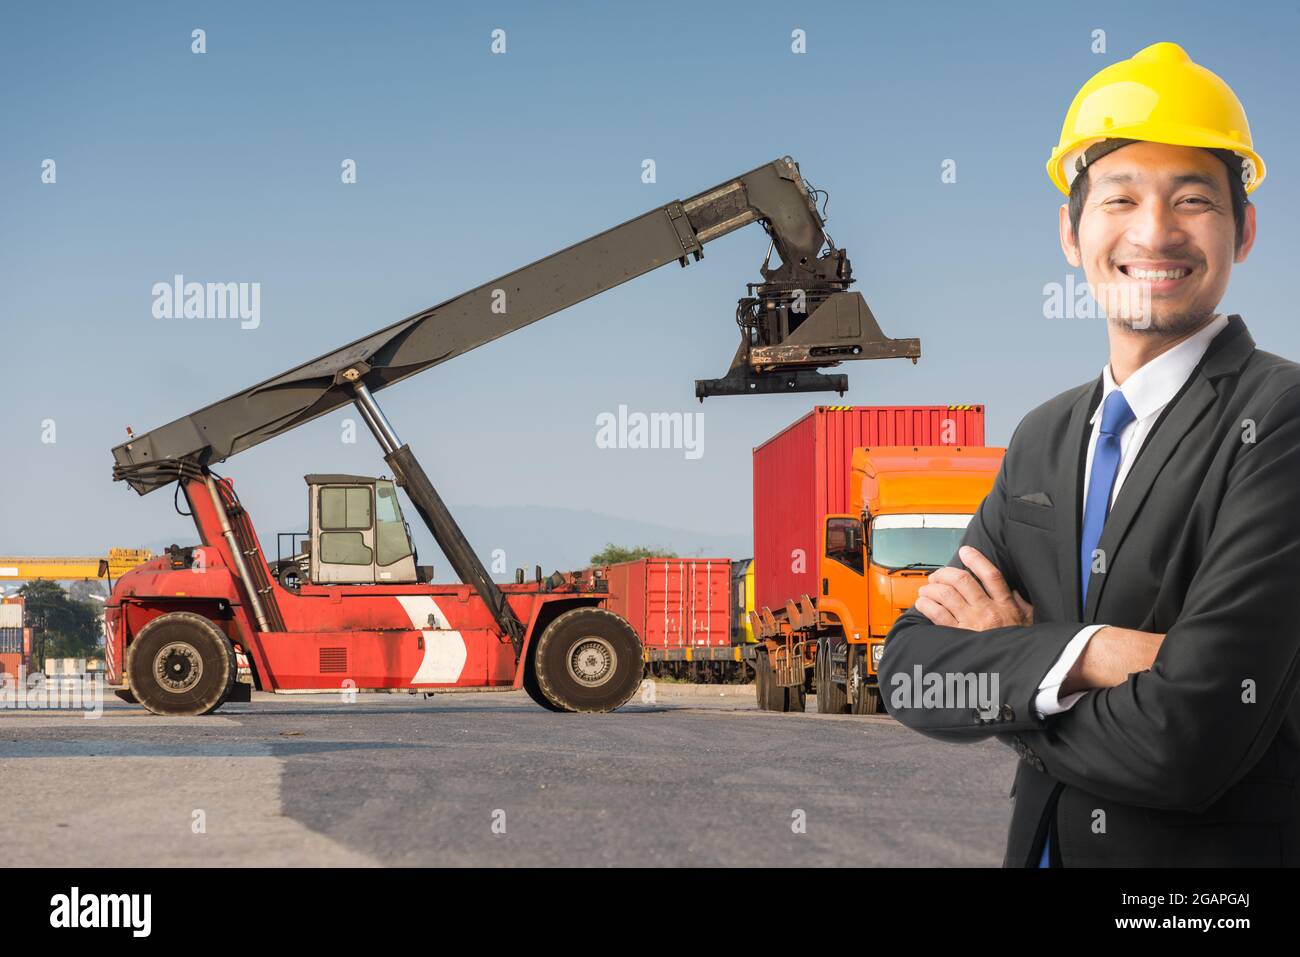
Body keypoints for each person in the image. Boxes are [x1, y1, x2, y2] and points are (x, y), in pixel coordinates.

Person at [878, 41, 1300, 866]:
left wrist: (1014, 668)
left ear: (1244, 231)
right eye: (1120, 198)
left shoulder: (1279, 418)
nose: (1155, 230)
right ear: (1072, 233)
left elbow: (1189, 738)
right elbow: (912, 671)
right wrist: (1096, 651)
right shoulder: (1044, 436)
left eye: (1193, 199)